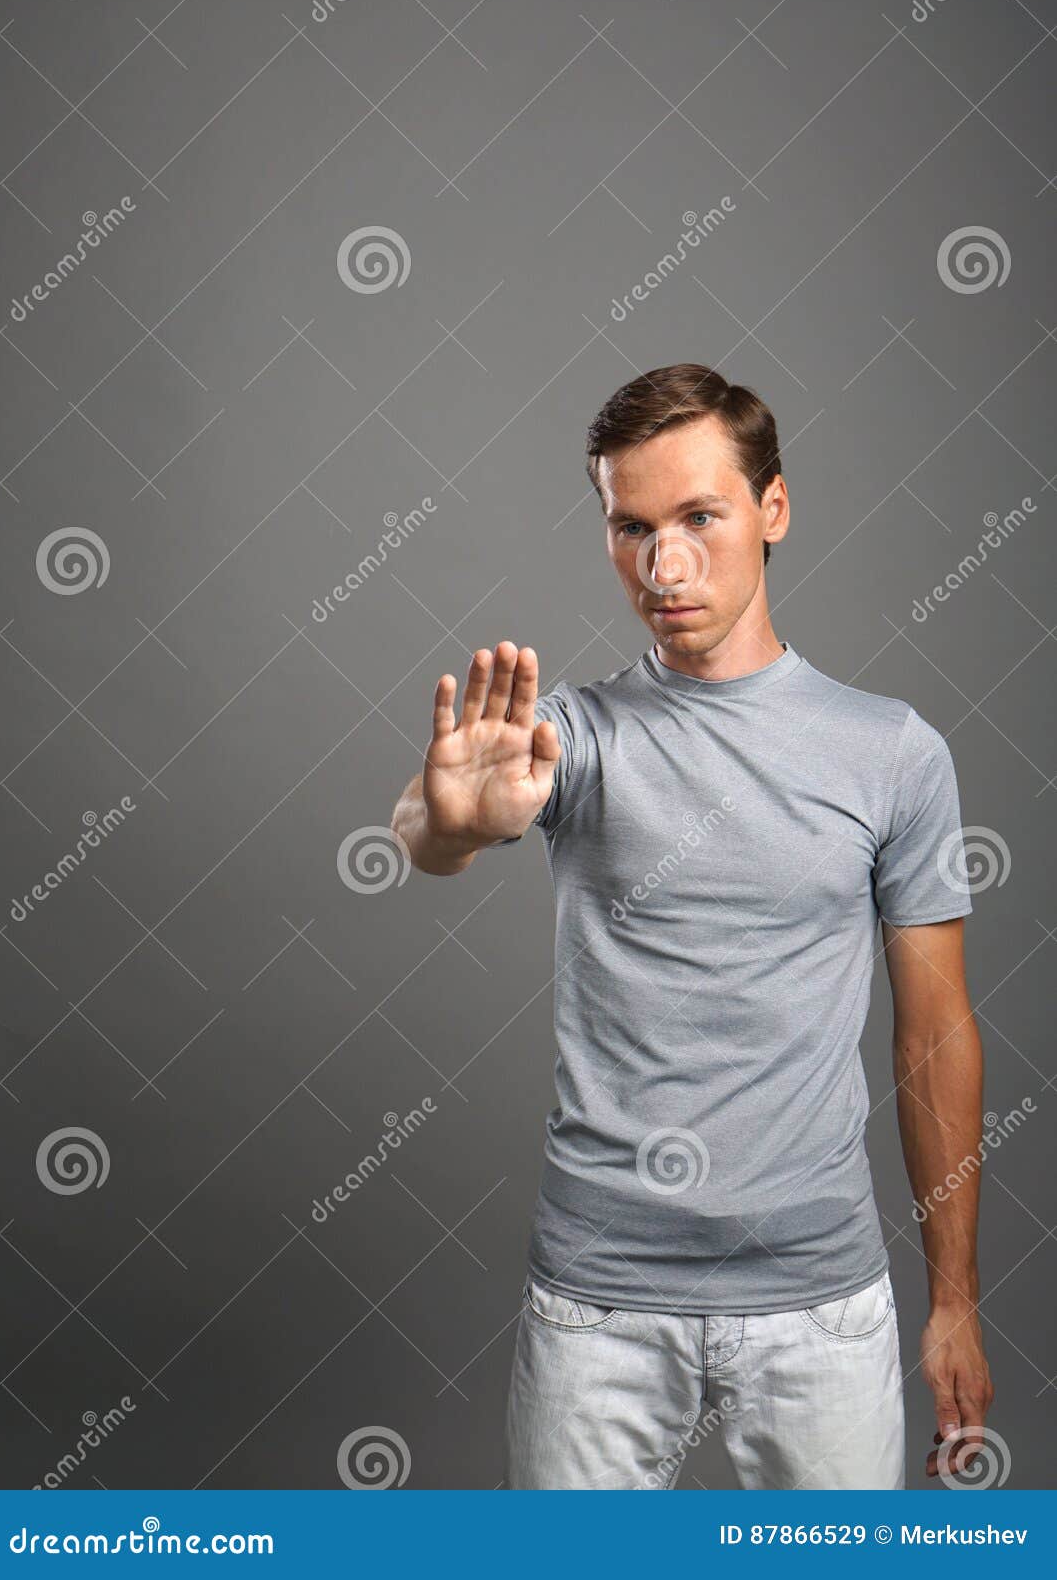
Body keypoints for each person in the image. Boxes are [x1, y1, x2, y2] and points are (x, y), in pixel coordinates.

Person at [390, 363, 993, 1490]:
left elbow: (931, 1037)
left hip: (818, 1306)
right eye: (630, 526)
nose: (661, 564)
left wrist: (951, 1299)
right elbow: (432, 832)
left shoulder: (890, 752)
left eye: (697, 517)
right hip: (597, 1306)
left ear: (771, 509)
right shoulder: (571, 734)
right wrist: (449, 824)